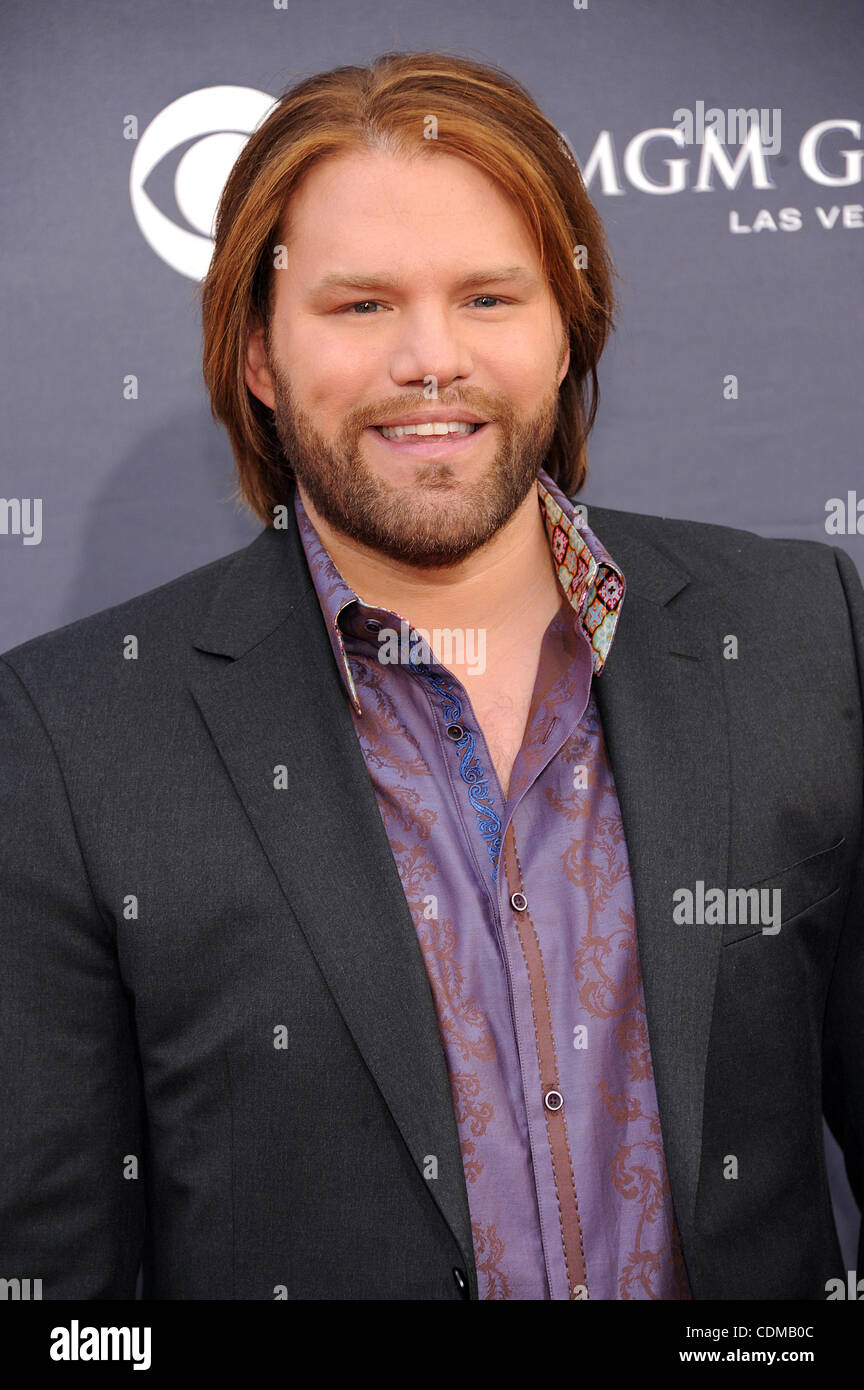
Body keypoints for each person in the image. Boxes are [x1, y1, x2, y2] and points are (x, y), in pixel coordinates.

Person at [1, 51, 861, 1302]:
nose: (431, 359)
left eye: (489, 299)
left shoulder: (797, 635)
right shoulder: (75, 737)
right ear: (257, 357)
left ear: (568, 330)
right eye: (359, 307)